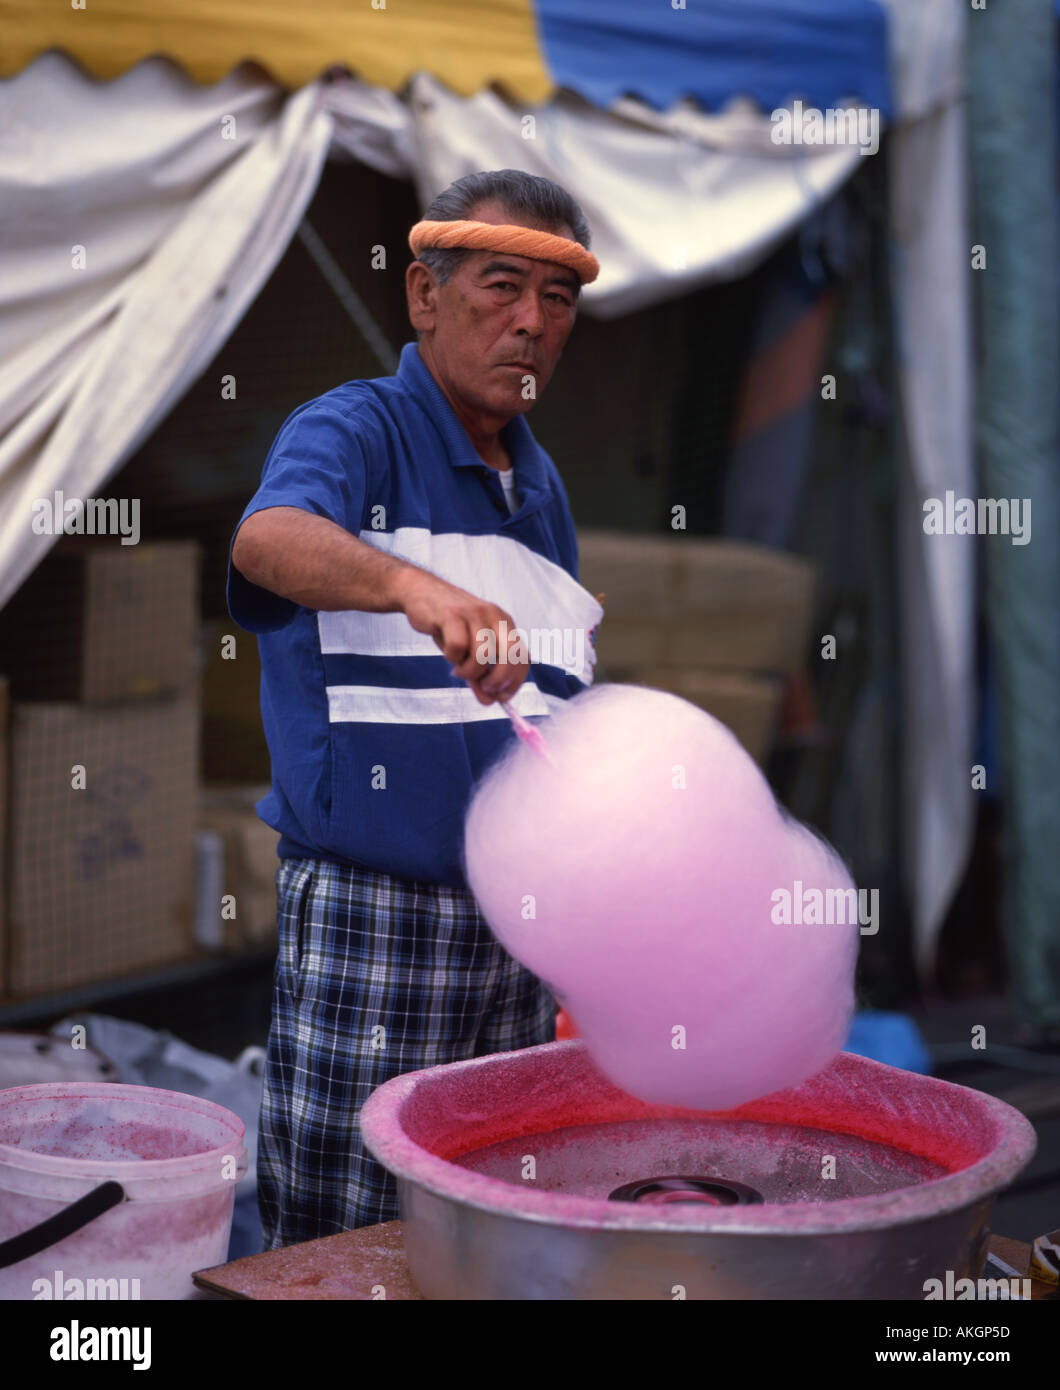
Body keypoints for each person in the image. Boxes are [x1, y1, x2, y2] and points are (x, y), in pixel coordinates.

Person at [227, 169, 605, 1248]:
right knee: (350, 1235)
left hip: (515, 925)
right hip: (373, 914)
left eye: (559, 297)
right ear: (423, 296)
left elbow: (553, 698)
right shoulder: (356, 428)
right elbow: (268, 539)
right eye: (499, 286)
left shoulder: (541, 490)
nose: (531, 322)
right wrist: (416, 587)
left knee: (484, 1223)